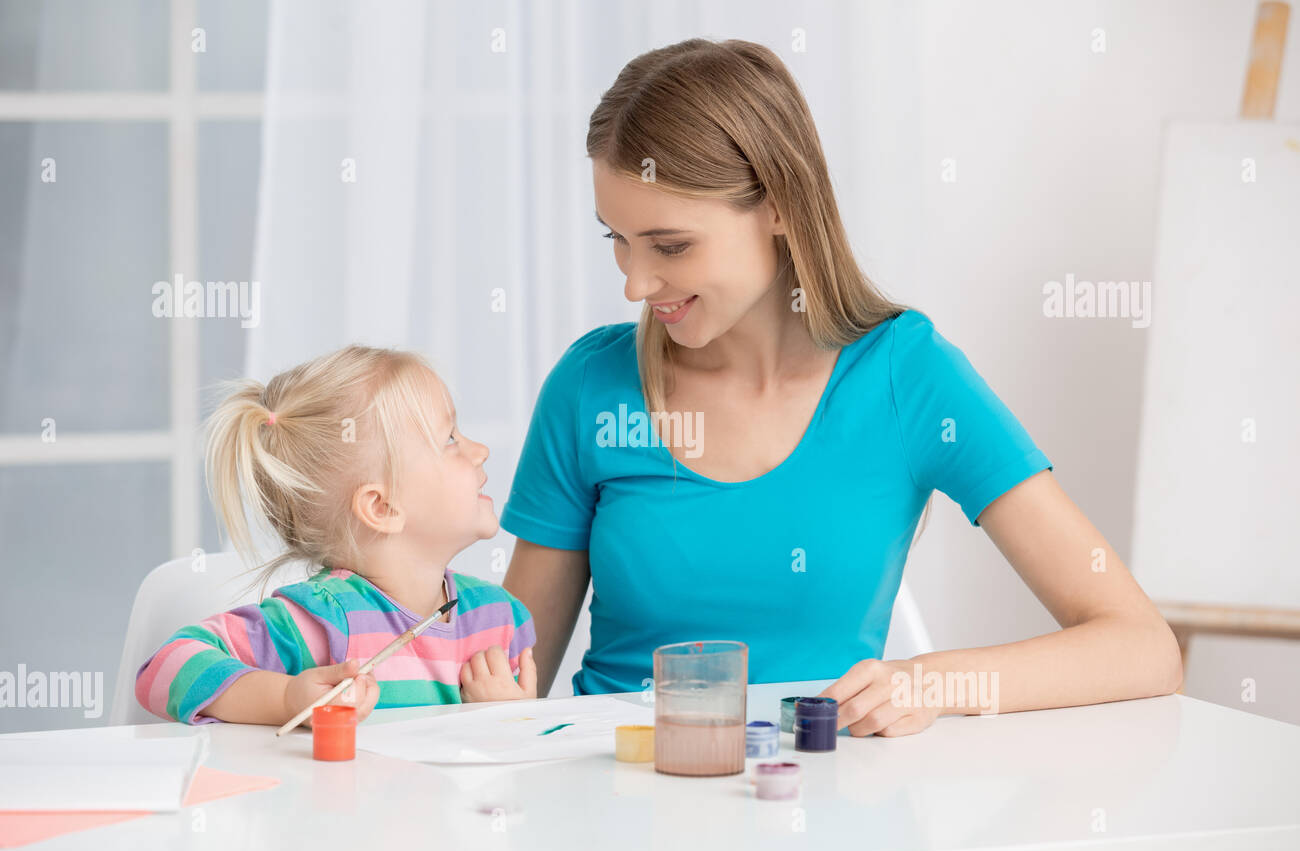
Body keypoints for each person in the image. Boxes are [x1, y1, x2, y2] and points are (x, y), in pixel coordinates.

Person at [500, 38, 1180, 737]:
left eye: (670, 246)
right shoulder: (591, 387)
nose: (635, 284)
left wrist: (931, 682)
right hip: (616, 819)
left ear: (781, 207)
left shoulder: (903, 375)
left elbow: (1141, 648)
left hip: (826, 821)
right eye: (616, 237)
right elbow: (500, 690)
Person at [137, 345, 536, 726]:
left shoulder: (502, 621)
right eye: (450, 439)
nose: (480, 450)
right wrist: (285, 698)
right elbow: (164, 668)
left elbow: (529, 779)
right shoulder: (322, 621)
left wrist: (511, 718)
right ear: (382, 507)